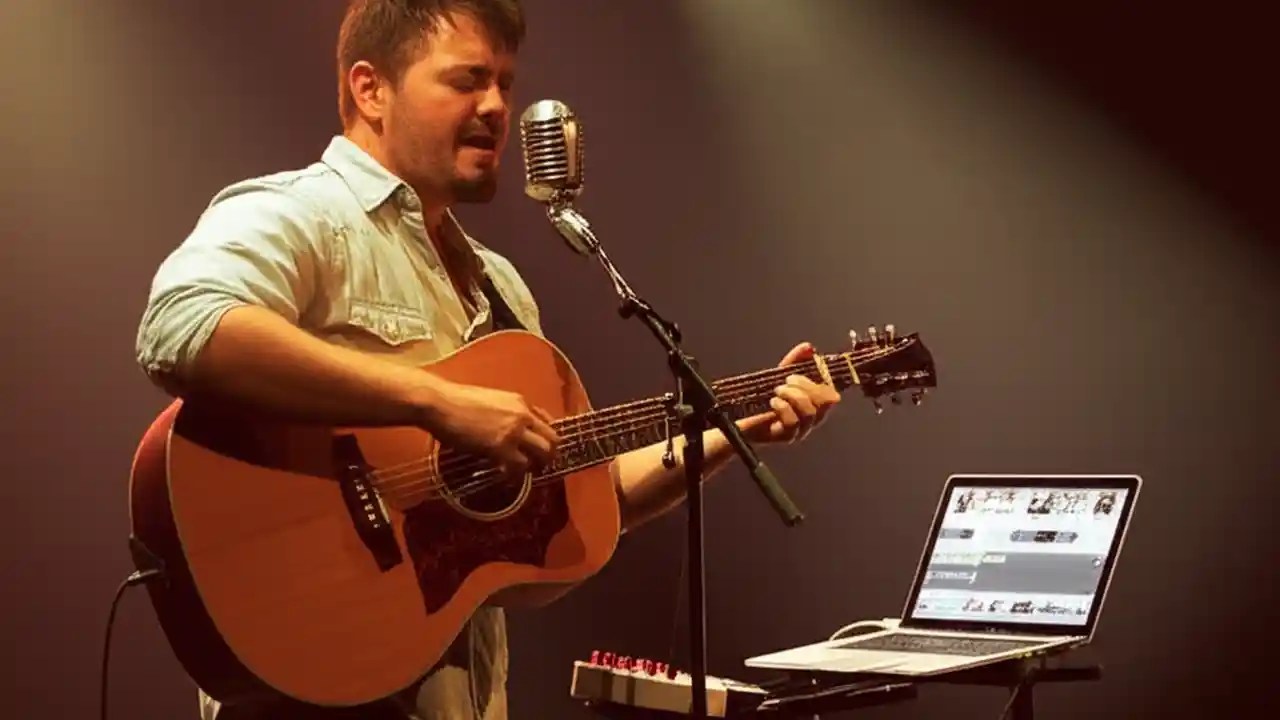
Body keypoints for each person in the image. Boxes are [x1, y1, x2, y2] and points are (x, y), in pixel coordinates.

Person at [134, 1, 842, 718]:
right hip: (312, 679)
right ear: (370, 88)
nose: (498, 106)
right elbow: (182, 327)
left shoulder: (498, 286)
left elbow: (592, 498)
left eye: (505, 83)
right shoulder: (302, 216)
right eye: (467, 81)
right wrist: (436, 403)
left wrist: (737, 428)